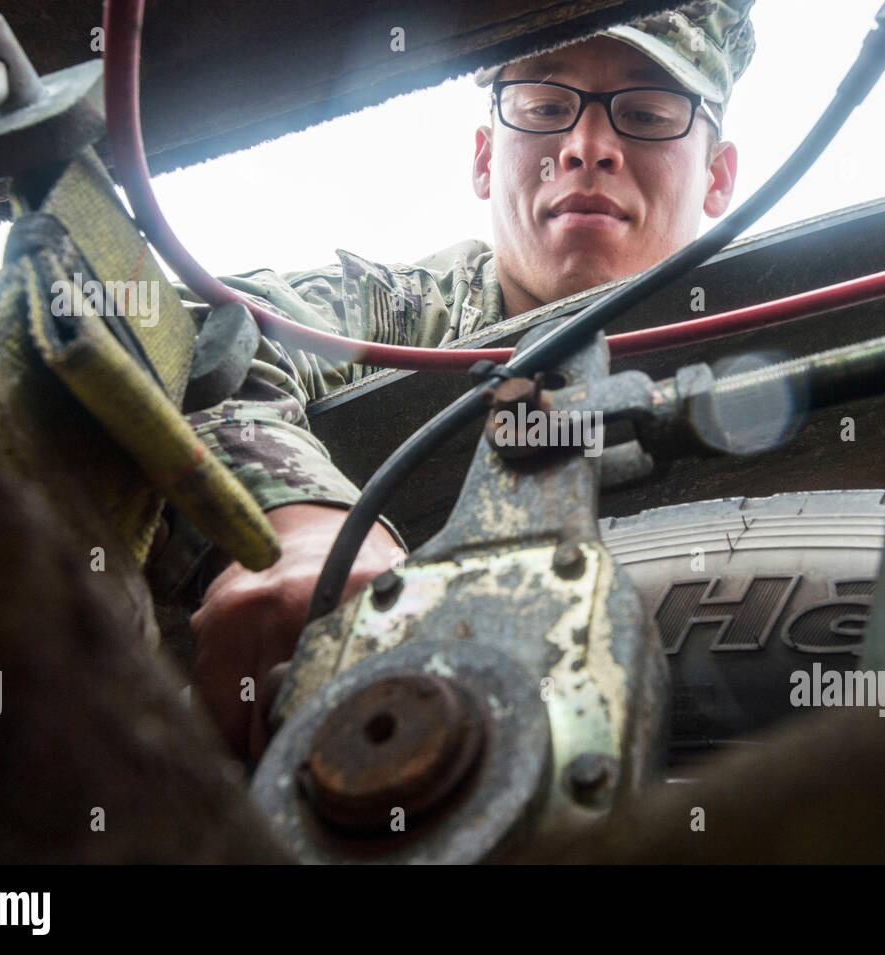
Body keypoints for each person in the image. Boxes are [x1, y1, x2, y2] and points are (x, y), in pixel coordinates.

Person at [149, 0, 757, 762]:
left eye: (645, 111)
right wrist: (299, 530)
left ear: (718, 176)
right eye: (543, 105)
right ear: (482, 158)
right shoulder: (401, 316)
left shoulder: (773, 322)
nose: (587, 147)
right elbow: (192, 333)